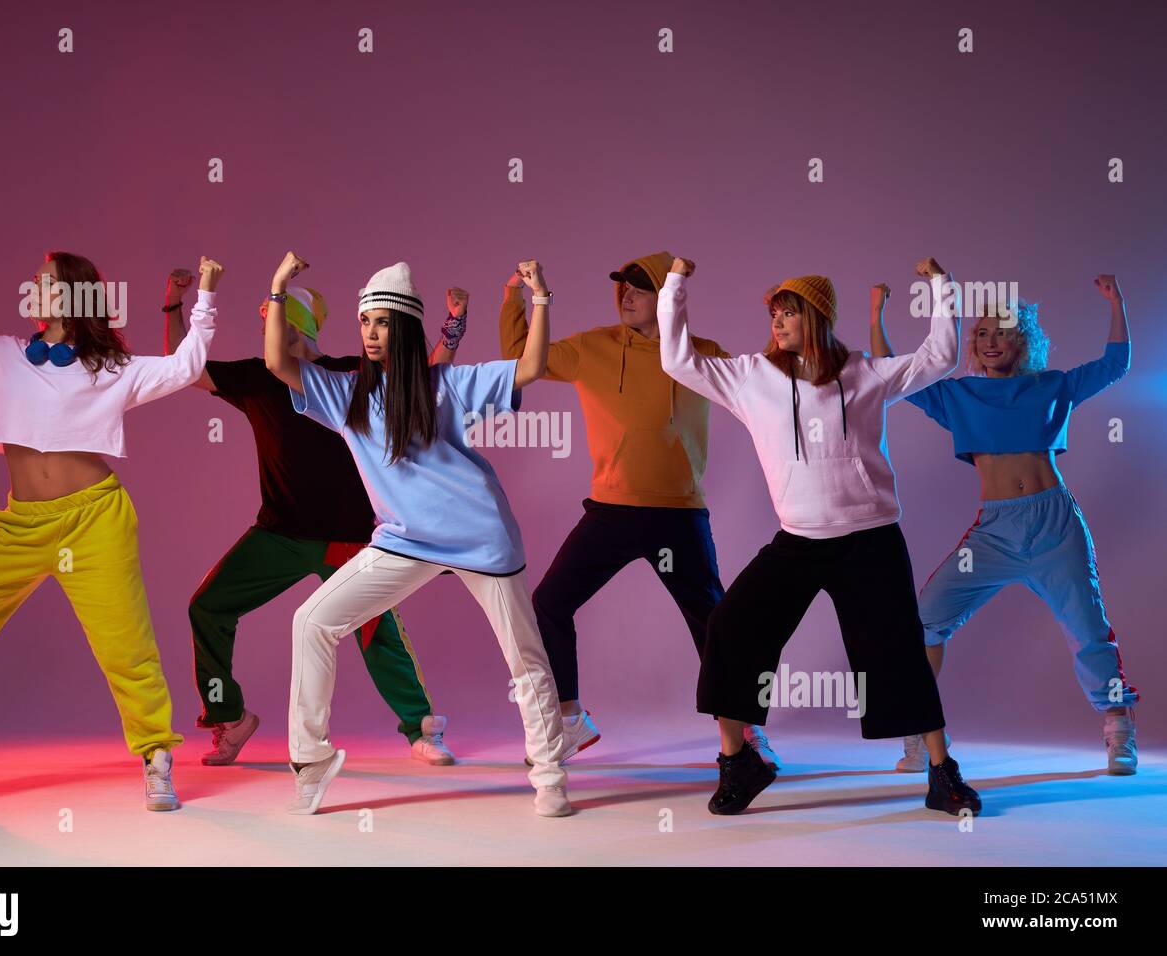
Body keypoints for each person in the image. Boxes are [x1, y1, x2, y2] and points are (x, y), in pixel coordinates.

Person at [0, 230, 222, 811]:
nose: (33, 291)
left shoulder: (113, 367)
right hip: (22, 526)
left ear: (74, 298)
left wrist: (207, 298)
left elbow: (185, 365)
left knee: (126, 645)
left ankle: (156, 755)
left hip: (96, 520)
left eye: (44, 284)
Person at [658, 255, 981, 816]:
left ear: (817, 316)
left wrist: (940, 287)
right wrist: (675, 285)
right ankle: (740, 762)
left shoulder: (864, 373)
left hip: (871, 538)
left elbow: (941, 357)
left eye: (789, 312)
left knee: (900, 651)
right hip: (799, 541)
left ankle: (941, 772)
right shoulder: (749, 377)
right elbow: (677, 358)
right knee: (730, 628)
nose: (777, 322)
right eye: (774, 313)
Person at [265, 252, 572, 816]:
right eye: (364, 322)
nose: (370, 333)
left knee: (525, 658)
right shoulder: (346, 394)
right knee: (311, 621)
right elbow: (277, 363)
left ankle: (550, 776)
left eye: (382, 322)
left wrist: (541, 299)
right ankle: (310, 760)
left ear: (403, 328)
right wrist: (279, 290)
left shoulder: (446, 386)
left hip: (481, 538)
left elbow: (528, 369)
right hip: (403, 542)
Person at [161, 267, 465, 766]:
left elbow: (424, 379)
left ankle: (421, 729)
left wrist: (454, 327)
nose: (267, 337)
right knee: (207, 607)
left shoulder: (351, 374)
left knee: (377, 632)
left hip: (346, 539)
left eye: (275, 326)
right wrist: (174, 303)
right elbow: (183, 366)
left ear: (297, 329)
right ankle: (229, 719)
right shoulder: (257, 376)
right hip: (278, 533)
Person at [499, 252, 779, 768]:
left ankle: (745, 732)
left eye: (639, 287)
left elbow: (762, 379)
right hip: (611, 511)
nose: (625, 295)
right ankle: (569, 720)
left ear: (667, 297)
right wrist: (514, 298)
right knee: (550, 603)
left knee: (715, 624)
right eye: (621, 286)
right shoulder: (592, 348)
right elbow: (522, 356)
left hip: (678, 514)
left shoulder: (700, 353)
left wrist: (779, 323)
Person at [870, 274, 1137, 774]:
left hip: (1054, 522)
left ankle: (1118, 728)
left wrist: (1116, 301)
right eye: (982, 334)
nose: (991, 342)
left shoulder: (1052, 385)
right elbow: (892, 374)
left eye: (1002, 333)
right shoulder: (959, 395)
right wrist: (875, 312)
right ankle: (919, 732)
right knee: (925, 618)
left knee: (1088, 630)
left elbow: (1115, 364)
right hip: (994, 533)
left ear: (1021, 341)